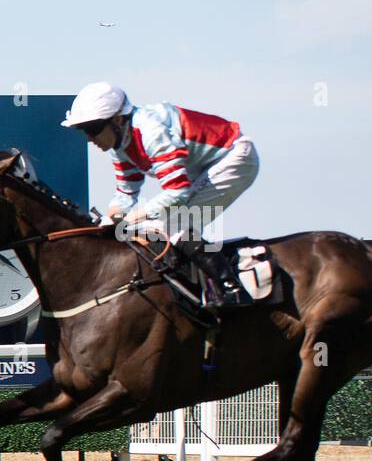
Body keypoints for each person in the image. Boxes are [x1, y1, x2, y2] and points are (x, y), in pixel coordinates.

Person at [61, 82, 259, 308]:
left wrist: (132, 218)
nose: (89, 138)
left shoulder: (151, 131)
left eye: (93, 128)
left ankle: (232, 290)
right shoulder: (120, 145)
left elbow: (177, 191)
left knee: (175, 223)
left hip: (234, 157)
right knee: (160, 225)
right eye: (83, 130)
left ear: (117, 119)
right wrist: (110, 220)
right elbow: (125, 195)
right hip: (203, 167)